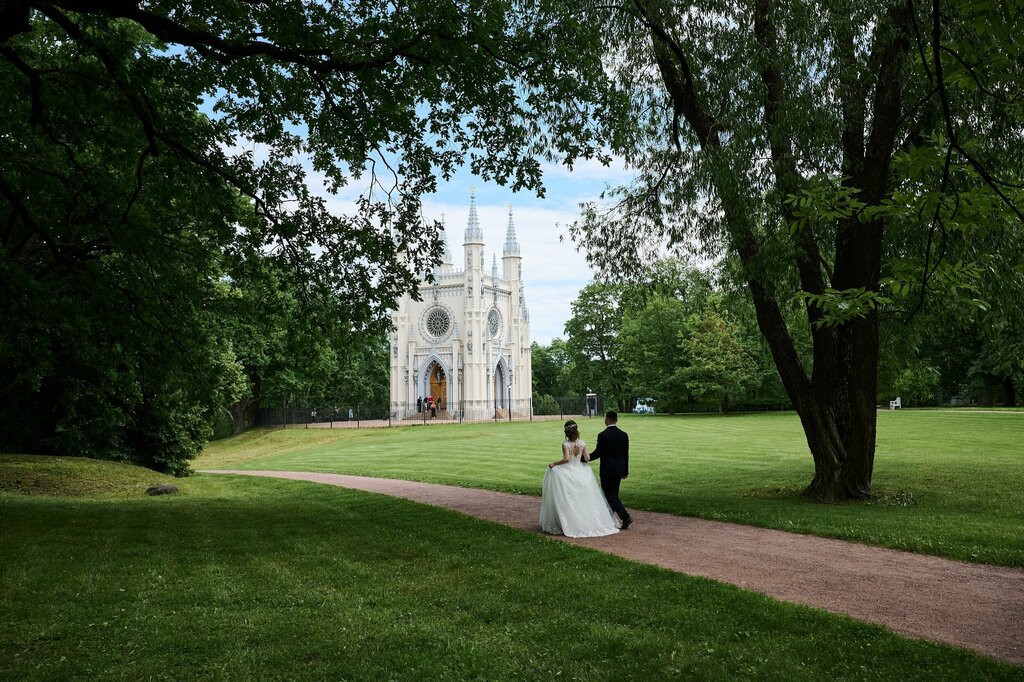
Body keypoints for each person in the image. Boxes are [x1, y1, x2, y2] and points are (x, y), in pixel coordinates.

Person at [539, 420, 620, 538]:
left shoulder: (565, 444)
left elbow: (566, 459)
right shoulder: (582, 443)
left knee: (569, 496)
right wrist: (583, 458)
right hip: (582, 471)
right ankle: (589, 522)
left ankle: (570, 521)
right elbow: (587, 458)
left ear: (566, 432)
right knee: (586, 498)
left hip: (569, 470)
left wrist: (554, 463)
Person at [585, 410, 633, 529]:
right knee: (614, 494)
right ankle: (608, 520)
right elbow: (625, 454)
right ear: (616, 420)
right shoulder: (624, 434)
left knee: (609, 494)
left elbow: (598, 452)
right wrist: (625, 470)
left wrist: (585, 458)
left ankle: (625, 516)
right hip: (620, 469)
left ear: (606, 419)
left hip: (607, 469)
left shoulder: (603, 435)